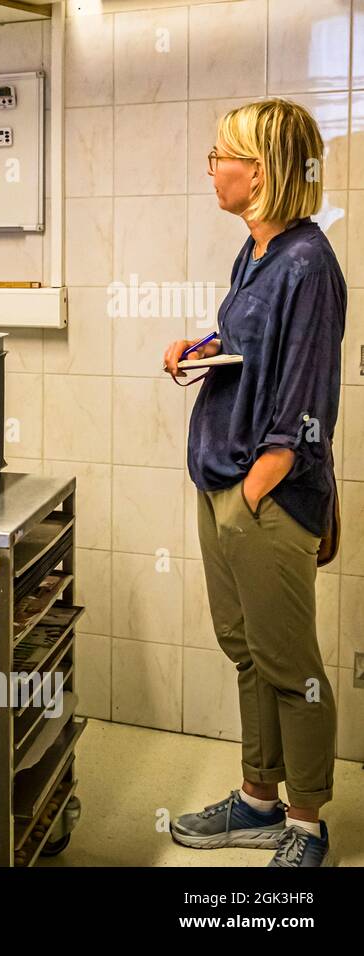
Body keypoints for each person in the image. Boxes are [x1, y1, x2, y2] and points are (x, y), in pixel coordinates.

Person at [162, 99, 344, 867]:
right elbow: (252, 346)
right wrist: (200, 343)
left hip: (263, 492)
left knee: (289, 662)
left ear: (261, 172)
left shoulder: (308, 263)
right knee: (244, 650)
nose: (212, 169)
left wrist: (255, 491)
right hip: (223, 478)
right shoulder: (257, 252)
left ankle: (305, 823)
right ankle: (257, 798)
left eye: (220, 157)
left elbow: (306, 397)